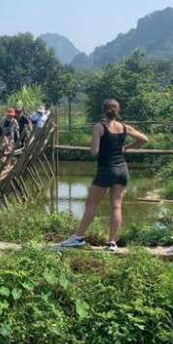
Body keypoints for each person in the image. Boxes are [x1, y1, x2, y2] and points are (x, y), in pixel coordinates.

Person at [58, 99, 148, 251]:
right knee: (116, 206)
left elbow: (94, 152)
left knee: (91, 204)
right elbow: (144, 139)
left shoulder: (99, 127)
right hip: (122, 170)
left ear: (103, 110)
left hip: (106, 169)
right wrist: (126, 148)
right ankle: (112, 242)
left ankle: (78, 237)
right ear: (117, 111)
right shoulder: (124, 127)